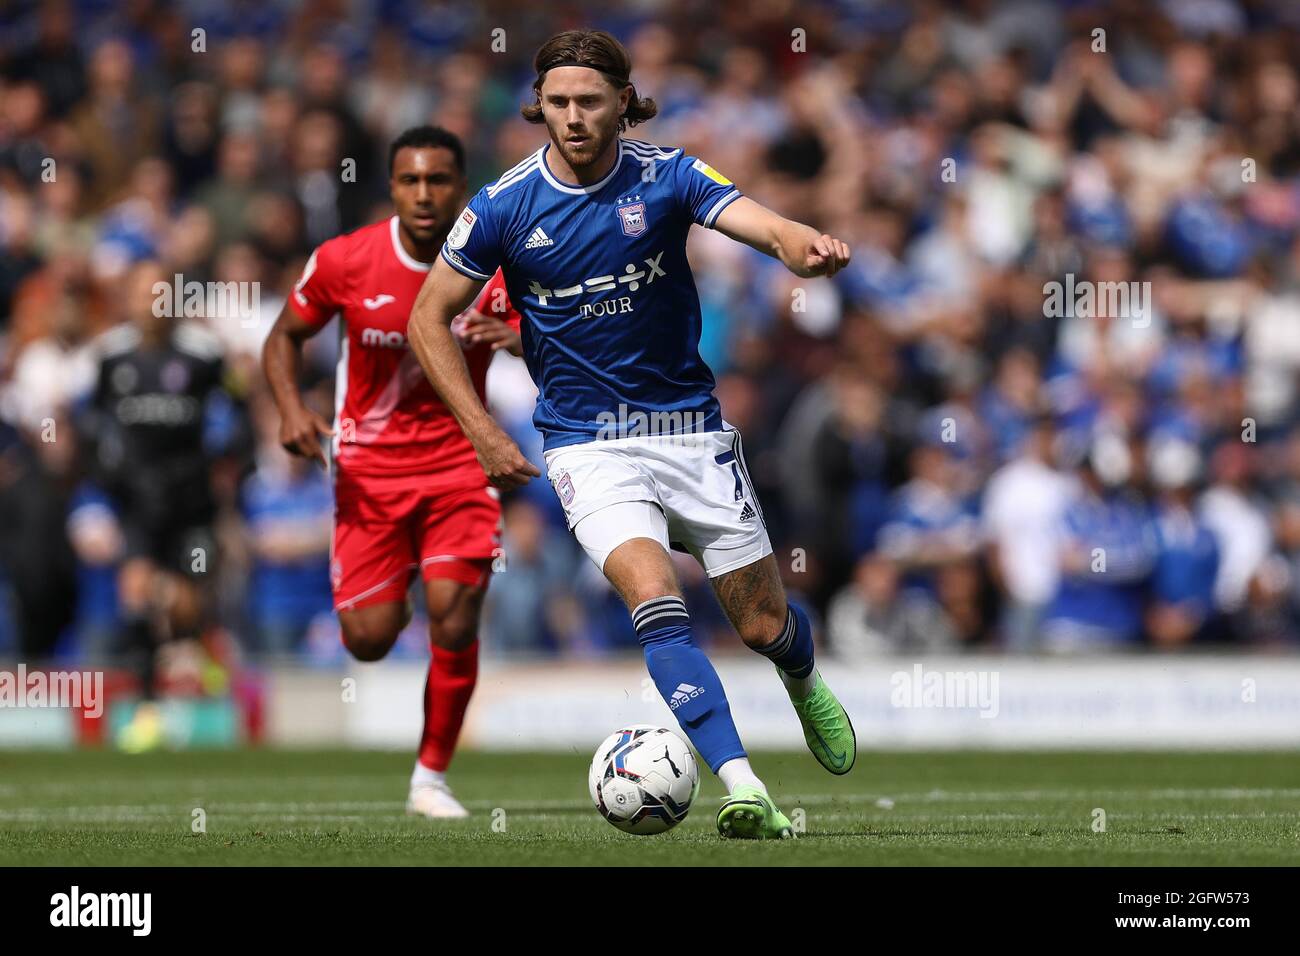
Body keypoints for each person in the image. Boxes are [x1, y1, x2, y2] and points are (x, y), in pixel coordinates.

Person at [407, 30, 855, 840]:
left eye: (588, 101)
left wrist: (805, 249)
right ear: (538, 106)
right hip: (586, 442)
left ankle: (799, 669)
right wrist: (477, 429)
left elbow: (763, 224)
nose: (573, 117)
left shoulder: (670, 174)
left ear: (622, 101)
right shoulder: (503, 204)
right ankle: (744, 785)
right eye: (557, 102)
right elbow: (427, 317)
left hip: (690, 433)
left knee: (760, 626)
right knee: (658, 599)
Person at [262, 126, 521, 818]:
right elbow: (284, 336)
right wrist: (290, 407)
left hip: (461, 464)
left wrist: (522, 337)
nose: (425, 194)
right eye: (410, 181)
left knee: (454, 616)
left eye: (439, 180)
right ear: (392, 188)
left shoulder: (498, 269)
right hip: (368, 474)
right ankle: (397, 577)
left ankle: (429, 779)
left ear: (463, 189)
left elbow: (560, 336)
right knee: (369, 640)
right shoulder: (346, 260)